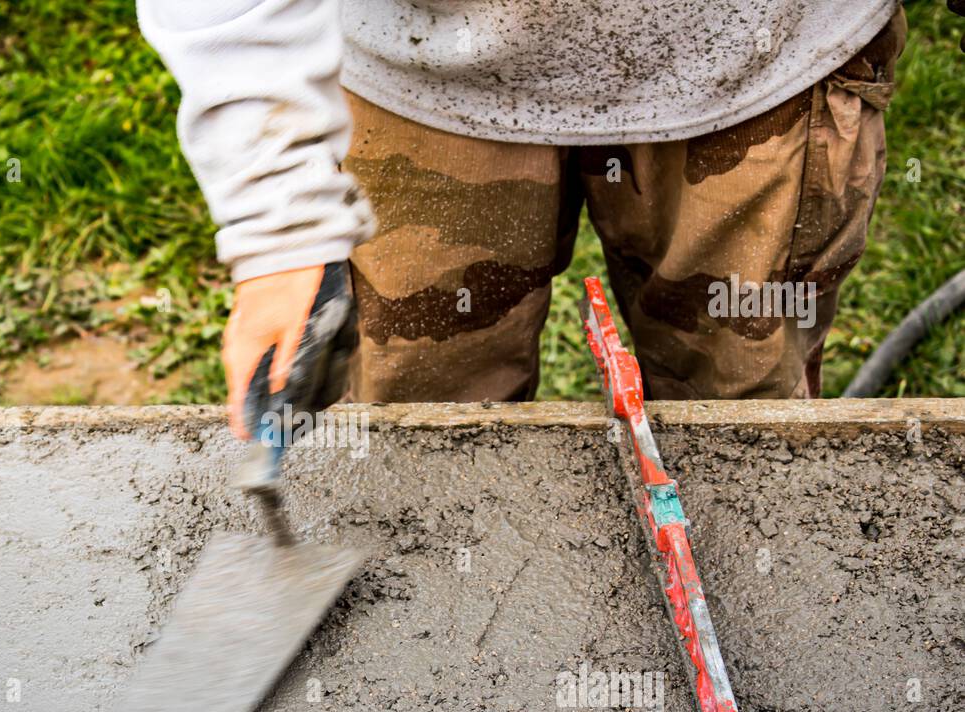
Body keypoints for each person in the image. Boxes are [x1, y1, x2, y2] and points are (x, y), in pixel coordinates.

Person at [136, 1, 908, 439]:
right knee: (422, 440)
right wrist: (279, 222)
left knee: (743, 424)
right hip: (415, 67)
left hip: (762, 52)